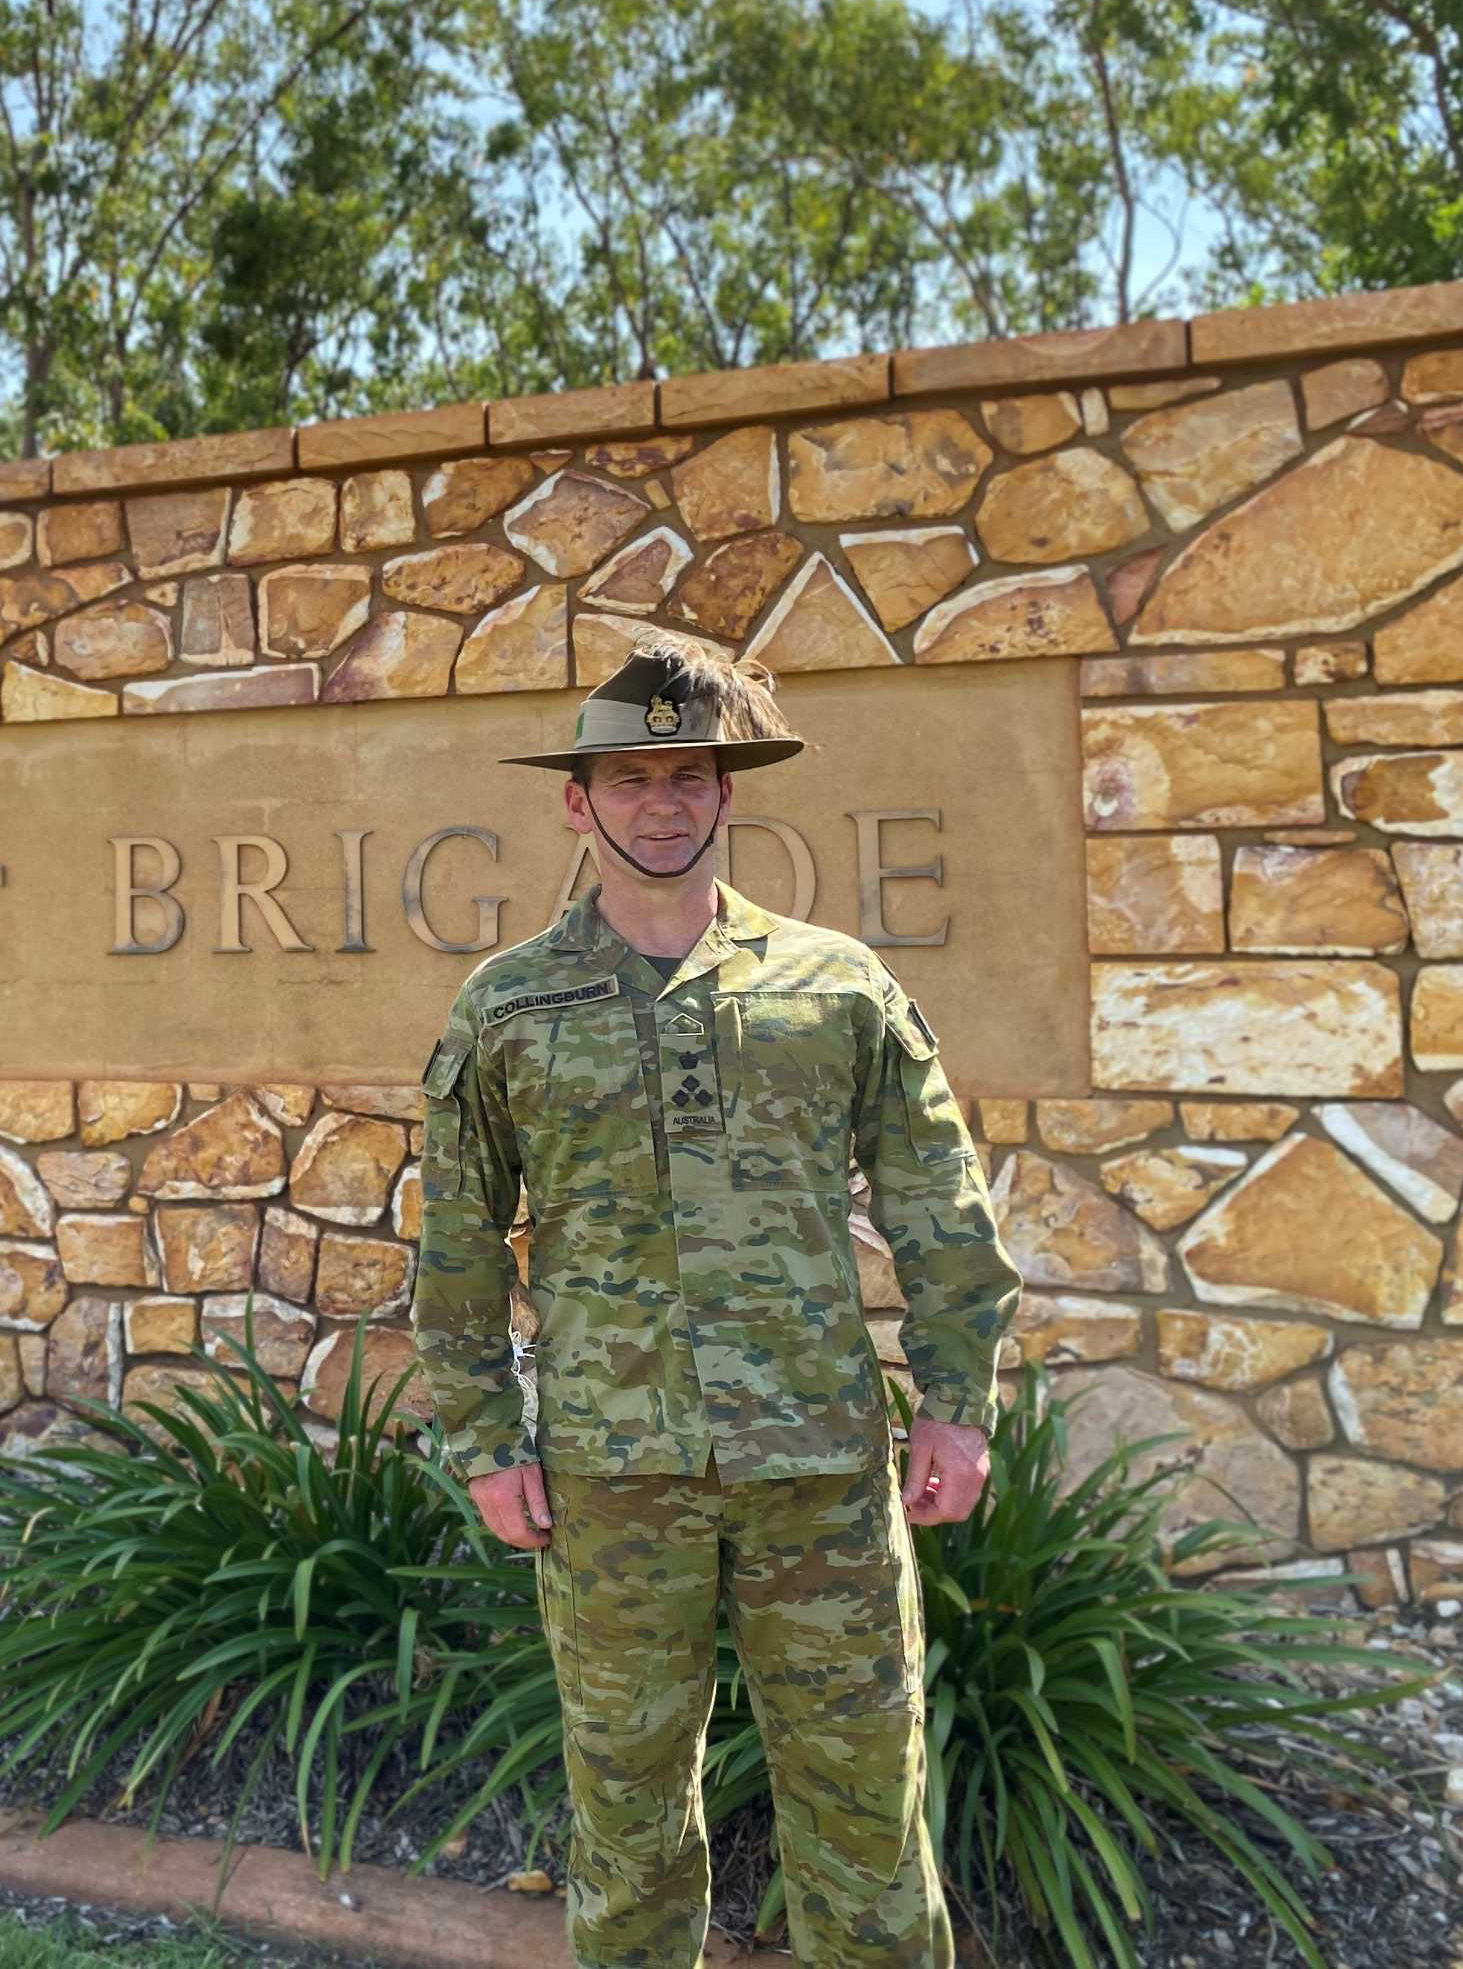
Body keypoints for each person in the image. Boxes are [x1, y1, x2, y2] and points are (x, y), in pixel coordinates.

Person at [410, 641, 1021, 1969]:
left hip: (820, 1468)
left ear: (728, 792)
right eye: (630, 779)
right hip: (613, 1475)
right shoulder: (507, 1005)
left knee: (867, 1810)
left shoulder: (834, 985)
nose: (662, 803)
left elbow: (937, 1199)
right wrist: (486, 1438)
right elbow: (458, 1238)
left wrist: (958, 1403)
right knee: (626, 1819)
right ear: (577, 802)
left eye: (688, 774)